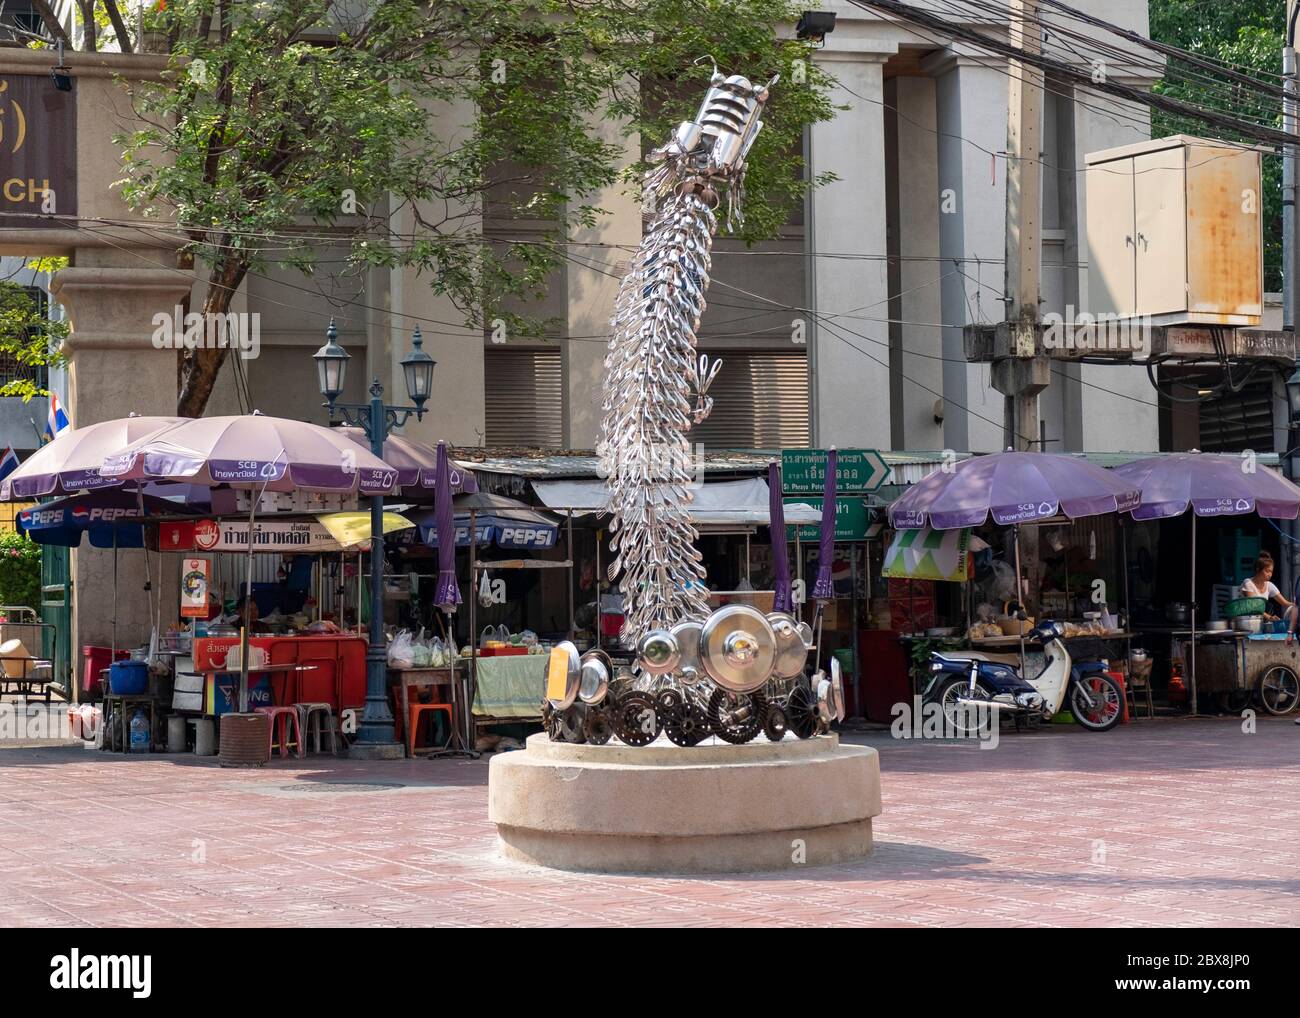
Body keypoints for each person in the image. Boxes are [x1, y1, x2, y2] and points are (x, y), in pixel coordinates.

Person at [1239, 553, 1297, 646]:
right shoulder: (1248, 583)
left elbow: (1285, 603)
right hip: (1244, 624)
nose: (1270, 574)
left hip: (1259, 624)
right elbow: (1254, 607)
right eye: (1267, 571)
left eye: (1271, 571)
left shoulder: (1269, 585)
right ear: (1258, 569)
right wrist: (1269, 617)